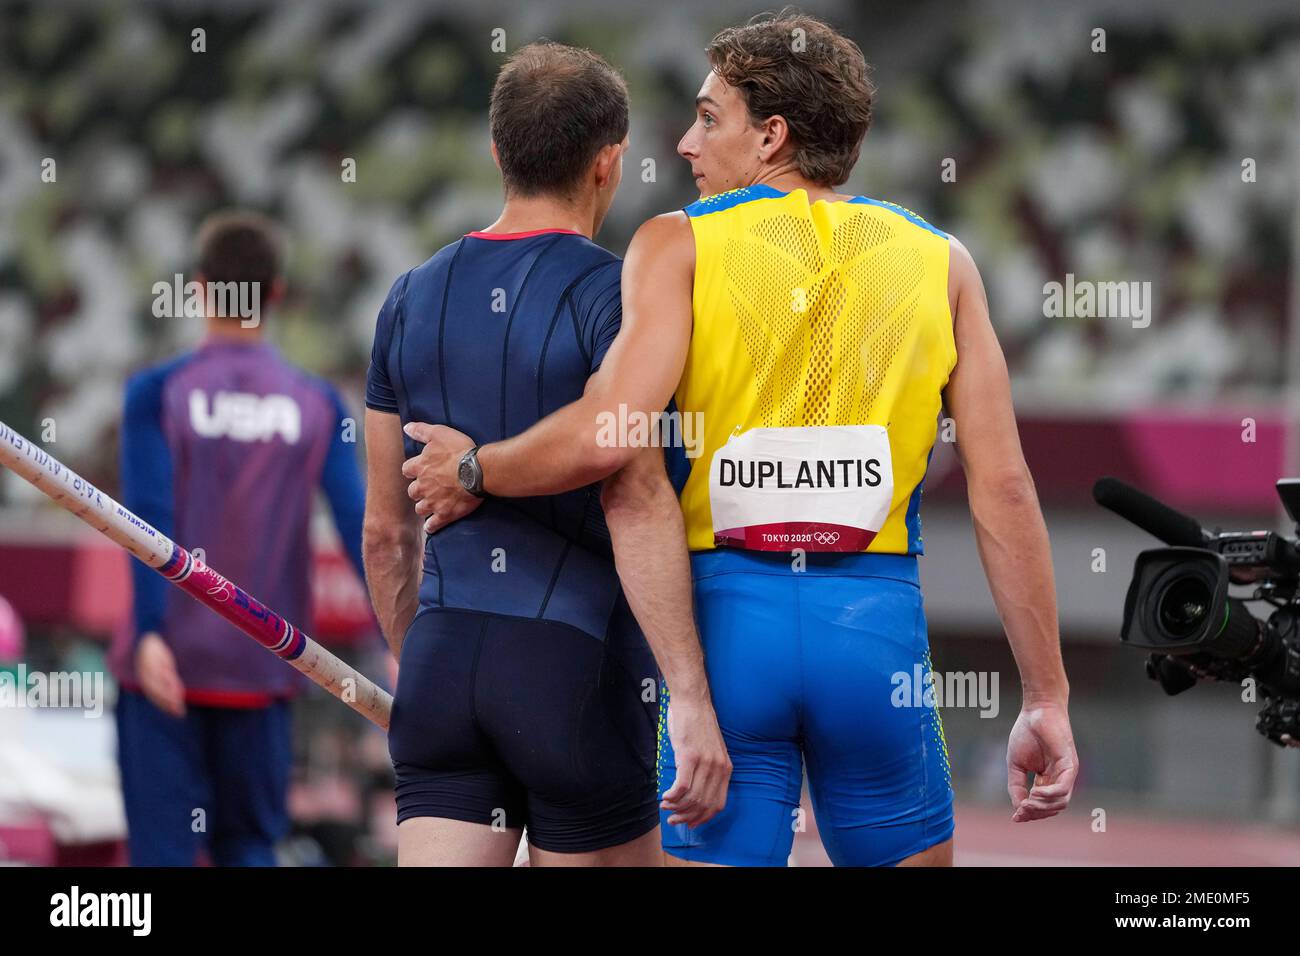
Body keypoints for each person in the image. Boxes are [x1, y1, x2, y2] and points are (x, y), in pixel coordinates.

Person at [401, 12, 1078, 867]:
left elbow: (609, 434)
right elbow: (1005, 489)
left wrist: (475, 467)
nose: (685, 143)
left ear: (772, 137)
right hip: (875, 638)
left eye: (709, 117)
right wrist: (1046, 694)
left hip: (727, 642)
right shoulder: (943, 261)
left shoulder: (675, 245)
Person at [361, 41, 728, 867]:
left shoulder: (408, 297)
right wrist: (691, 695)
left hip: (442, 666)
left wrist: (426, 671)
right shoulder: (621, 300)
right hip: (578, 674)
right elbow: (633, 498)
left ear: (498, 152)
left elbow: (387, 533)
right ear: (609, 164)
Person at [111, 210, 367, 866]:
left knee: (160, 860)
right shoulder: (316, 403)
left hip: (163, 667)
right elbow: (360, 525)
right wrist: (404, 637)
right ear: (277, 293)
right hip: (261, 668)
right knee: (250, 850)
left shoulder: (155, 392)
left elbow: (145, 520)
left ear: (199, 287)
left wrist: (147, 634)